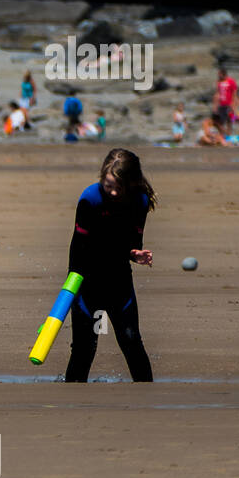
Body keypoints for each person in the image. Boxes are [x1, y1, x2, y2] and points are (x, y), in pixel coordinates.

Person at [64, 148, 156, 383]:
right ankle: (72, 403)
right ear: (101, 178)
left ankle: (147, 400)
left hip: (119, 281)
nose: (113, 192)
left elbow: (133, 242)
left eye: (119, 187)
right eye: (108, 185)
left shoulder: (139, 200)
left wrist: (135, 254)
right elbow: (80, 246)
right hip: (86, 280)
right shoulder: (90, 199)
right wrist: (71, 288)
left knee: (131, 341)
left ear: (132, 184)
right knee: (84, 349)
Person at [214, 66, 237, 135]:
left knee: (230, 120)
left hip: (229, 104)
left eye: (219, 74)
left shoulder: (231, 81)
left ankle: (229, 134)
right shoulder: (218, 82)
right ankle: (223, 134)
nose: (218, 76)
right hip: (221, 104)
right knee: (220, 121)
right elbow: (217, 93)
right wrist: (215, 106)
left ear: (223, 74)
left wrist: (233, 105)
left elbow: (234, 93)